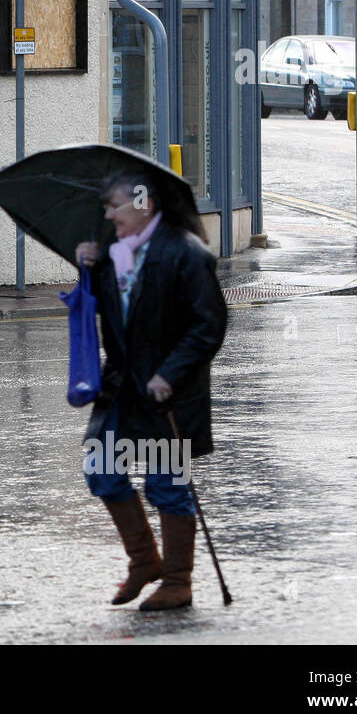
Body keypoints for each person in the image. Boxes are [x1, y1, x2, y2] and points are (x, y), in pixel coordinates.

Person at [73, 169, 227, 611]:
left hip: (166, 394)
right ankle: (145, 562)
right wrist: (86, 266)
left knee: (166, 482)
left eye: (113, 205)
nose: (106, 214)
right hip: (121, 387)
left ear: (144, 204)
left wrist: (170, 374)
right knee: (101, 469)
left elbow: (208, 326)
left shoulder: (186, 253)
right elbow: (111, 313)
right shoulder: (116, 254)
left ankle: (178, 581)